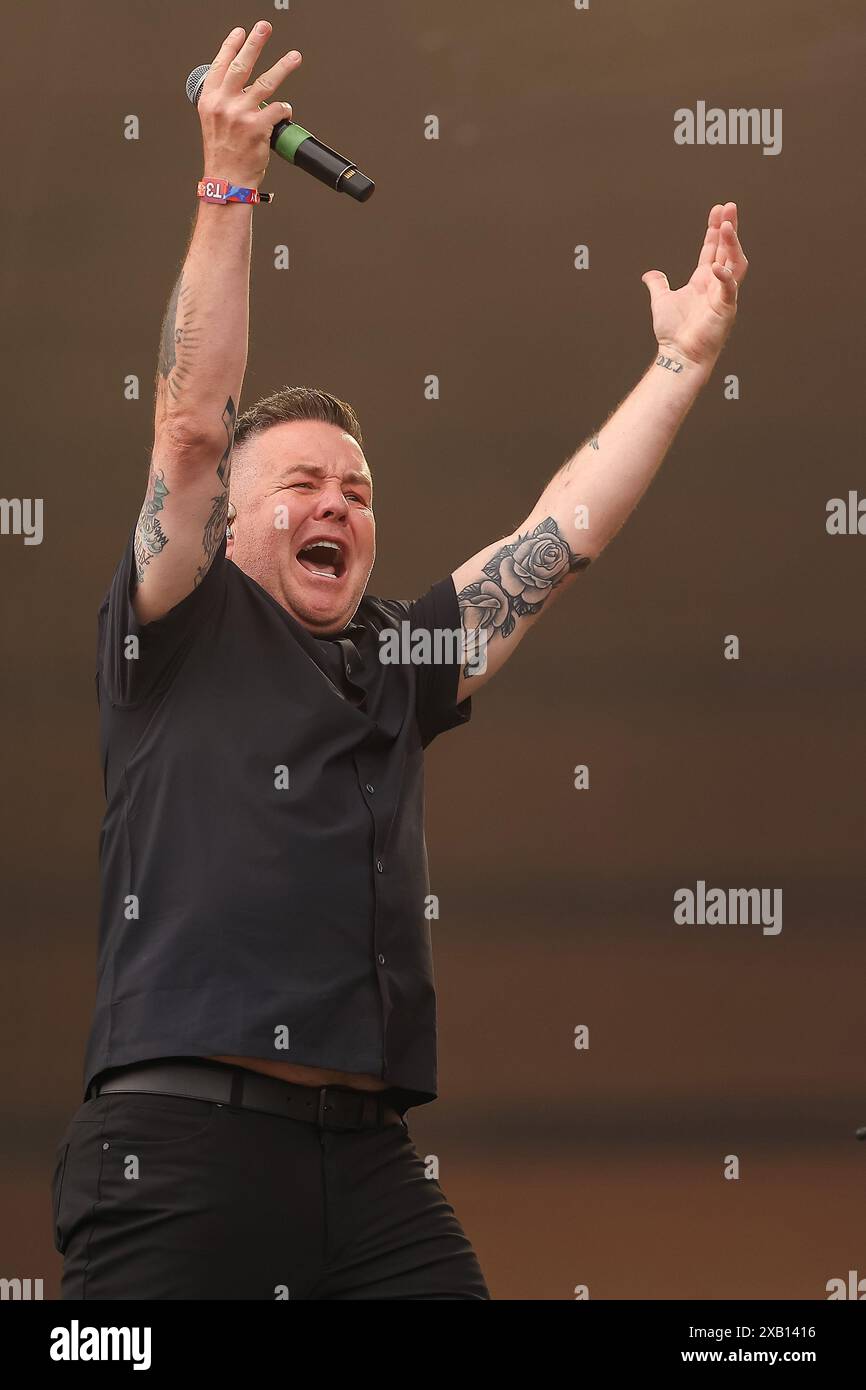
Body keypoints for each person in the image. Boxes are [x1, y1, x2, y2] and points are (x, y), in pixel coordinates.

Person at [50, 19, 748, 1300]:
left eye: (358, 490)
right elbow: (191, 425)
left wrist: (677, 364)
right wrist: (228, 184)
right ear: (231, 522)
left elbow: (557, 537)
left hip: (367, 1166)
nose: (338, 504)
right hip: (180, 1146)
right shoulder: (179, 624)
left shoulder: (397, 655)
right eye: (303, 483)